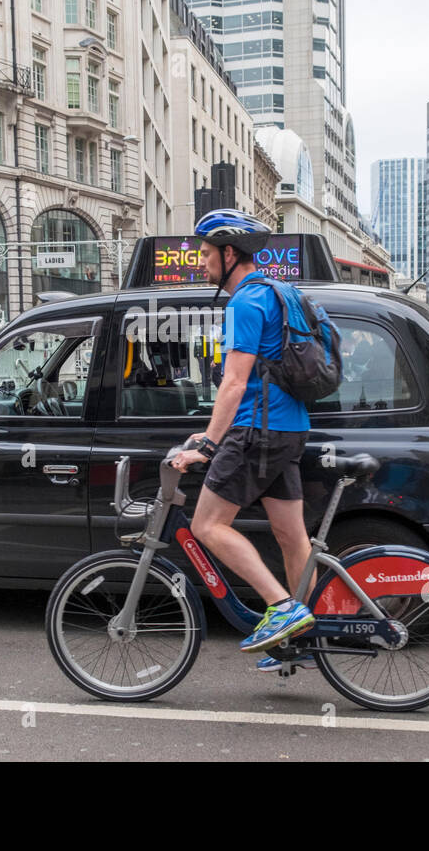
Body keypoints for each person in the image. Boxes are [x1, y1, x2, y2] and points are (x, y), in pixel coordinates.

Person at [168, 210, 317, 672]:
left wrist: (209, 444)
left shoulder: (246, 302)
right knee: (292, 538)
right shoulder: (282, 291)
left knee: (207, 526)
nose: (204, 264)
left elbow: (233, 383)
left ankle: (282, 606)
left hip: (257, 429)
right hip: (290, 428)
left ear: (230, 254)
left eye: (208, 254)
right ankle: (302, 637)